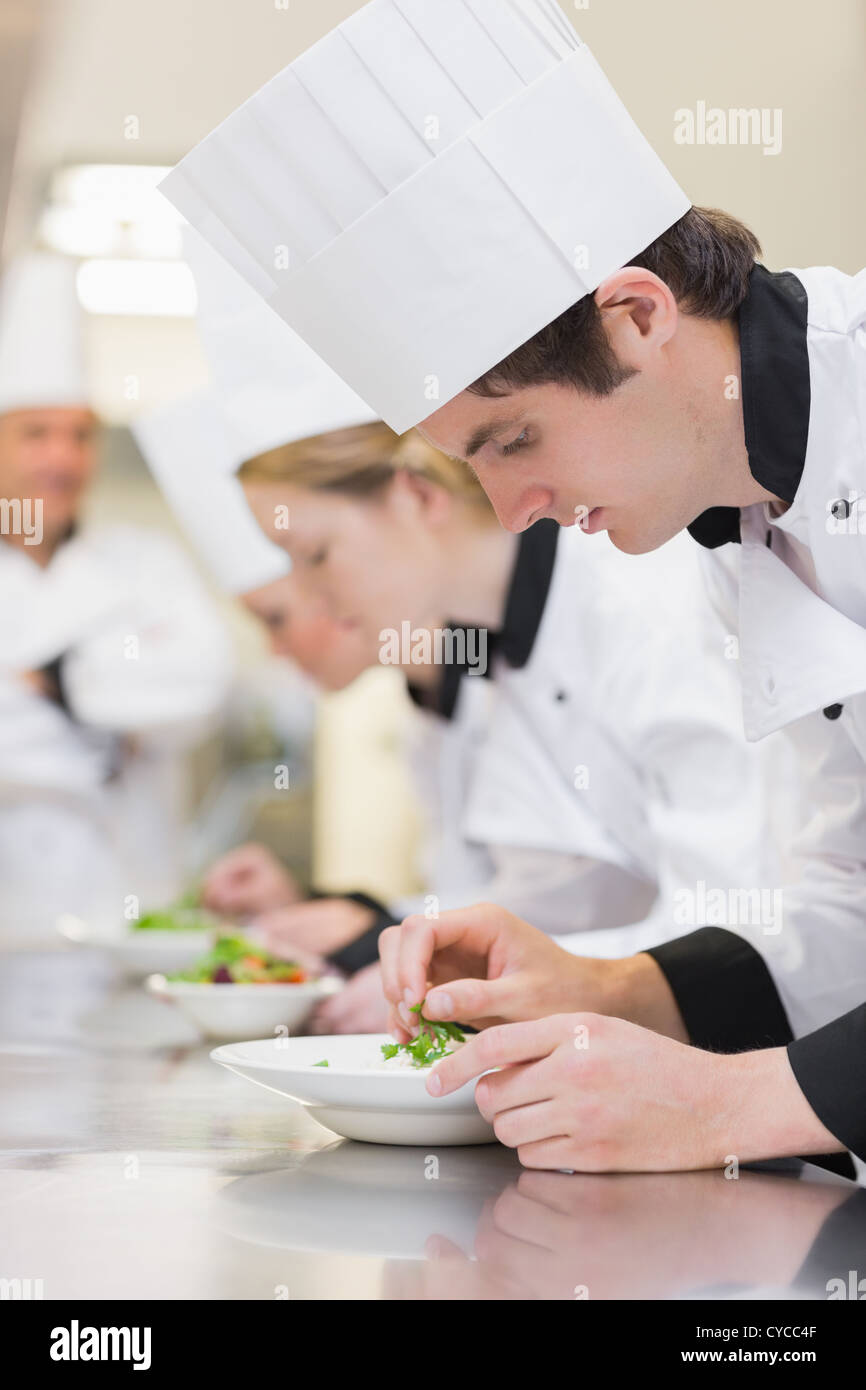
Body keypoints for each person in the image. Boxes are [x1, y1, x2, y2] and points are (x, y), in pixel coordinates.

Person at [162, 0, 866, 1174]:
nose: (514, 512)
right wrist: (610, 983)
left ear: (635, 316)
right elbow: (848, 906)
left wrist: (739, 1107)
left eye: (511, 441)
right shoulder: (738, 530)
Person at [0, 253, 231, 938]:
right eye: (36, 433)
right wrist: (113, 735)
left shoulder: (146, 563)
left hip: (131, 904)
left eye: (80, 435)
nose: (63, 459)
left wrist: (51, 683)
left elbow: (203, 686)